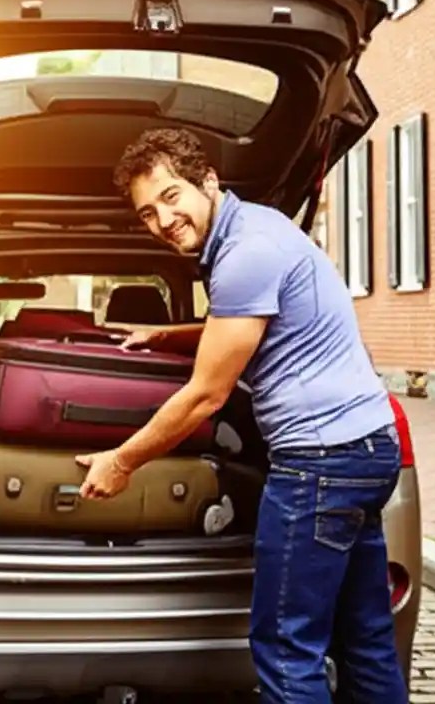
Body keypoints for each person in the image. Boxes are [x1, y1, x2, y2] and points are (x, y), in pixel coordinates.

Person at [75, 128, 407, 703]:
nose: (162, 219)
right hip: (368, 451)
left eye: (171, 196)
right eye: (148, 213)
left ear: (207, 181)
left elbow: (207, 395)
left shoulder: (244, 254)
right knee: (364, 637)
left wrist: (121, 461)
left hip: (318, 466)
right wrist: (169, 332)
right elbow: (252, 321)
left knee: (286, 647)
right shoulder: (262, 227)